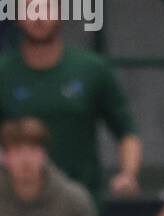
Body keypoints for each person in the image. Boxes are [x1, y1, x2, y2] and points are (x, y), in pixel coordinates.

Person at [0, 15, 141, 201]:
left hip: (82, 199)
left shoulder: (92, 69)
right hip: (11, 203)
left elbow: (127, 131)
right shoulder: (4, 71)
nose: (39, 17)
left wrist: (128, 174)